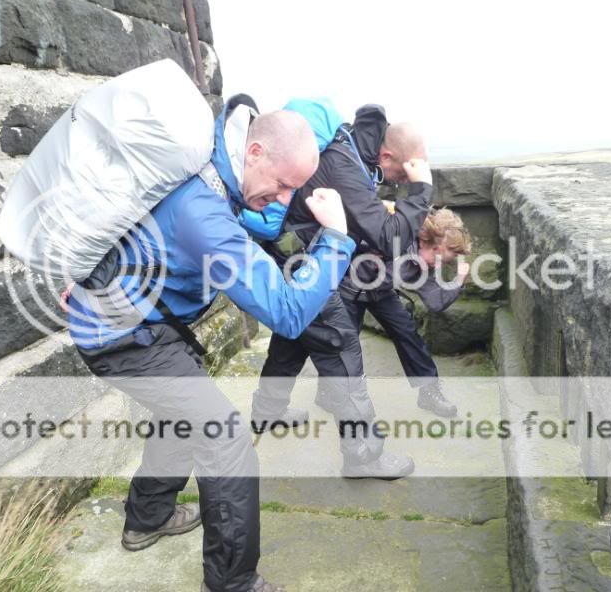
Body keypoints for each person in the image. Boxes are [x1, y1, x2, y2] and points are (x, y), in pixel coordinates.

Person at [65, 95, 356, 592]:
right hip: (126, 339)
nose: (286, 199)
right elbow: (287, 312)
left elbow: (243, 218)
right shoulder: (203, 209)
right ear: (256, 151)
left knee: (184, 418)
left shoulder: (211, 170)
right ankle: (232, 582)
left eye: (296, 189)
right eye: (285, 185)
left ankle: (146, 519)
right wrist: (336, 239)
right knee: (226, 441)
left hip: (132, 325)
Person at [250, 104, 433, 480]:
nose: (399, 179)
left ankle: (266, 413)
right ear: (386, 155)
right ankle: (363, 455)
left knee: (293, 341)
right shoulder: (344, 163)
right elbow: (391, 236)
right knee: (341, 348)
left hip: (286, 254)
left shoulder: (350, 154)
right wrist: (421, 189)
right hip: (302, 260)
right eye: (402, 170)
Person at [340, 208, 472, 417]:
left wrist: (457, 281)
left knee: (408, 333)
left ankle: (429, 393)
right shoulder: (395, 237)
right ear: (436, 247)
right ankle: (333, 394)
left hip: (380, 294)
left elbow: (435, 302)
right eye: (442, 259)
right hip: (348, 291)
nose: (439, 265)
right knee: (344, 344)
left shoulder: (424, 265)